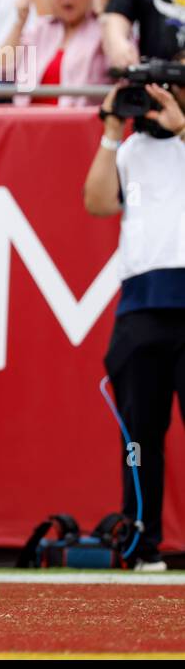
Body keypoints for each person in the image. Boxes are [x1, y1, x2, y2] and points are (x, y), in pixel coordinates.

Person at [82, 74, 185, 570]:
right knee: (140, 436)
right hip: (141, 305)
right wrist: (110, 127)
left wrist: (181, 127)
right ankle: (142, 542)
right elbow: (98, 203)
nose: (159, 98)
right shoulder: (129, 149)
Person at [3, 0, 112, 103]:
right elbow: (2, 70)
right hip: (28, 120)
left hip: (78, 121)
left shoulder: (102, 28)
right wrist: (19, 23)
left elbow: (121, 67)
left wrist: (106, 17)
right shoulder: (40, 29)